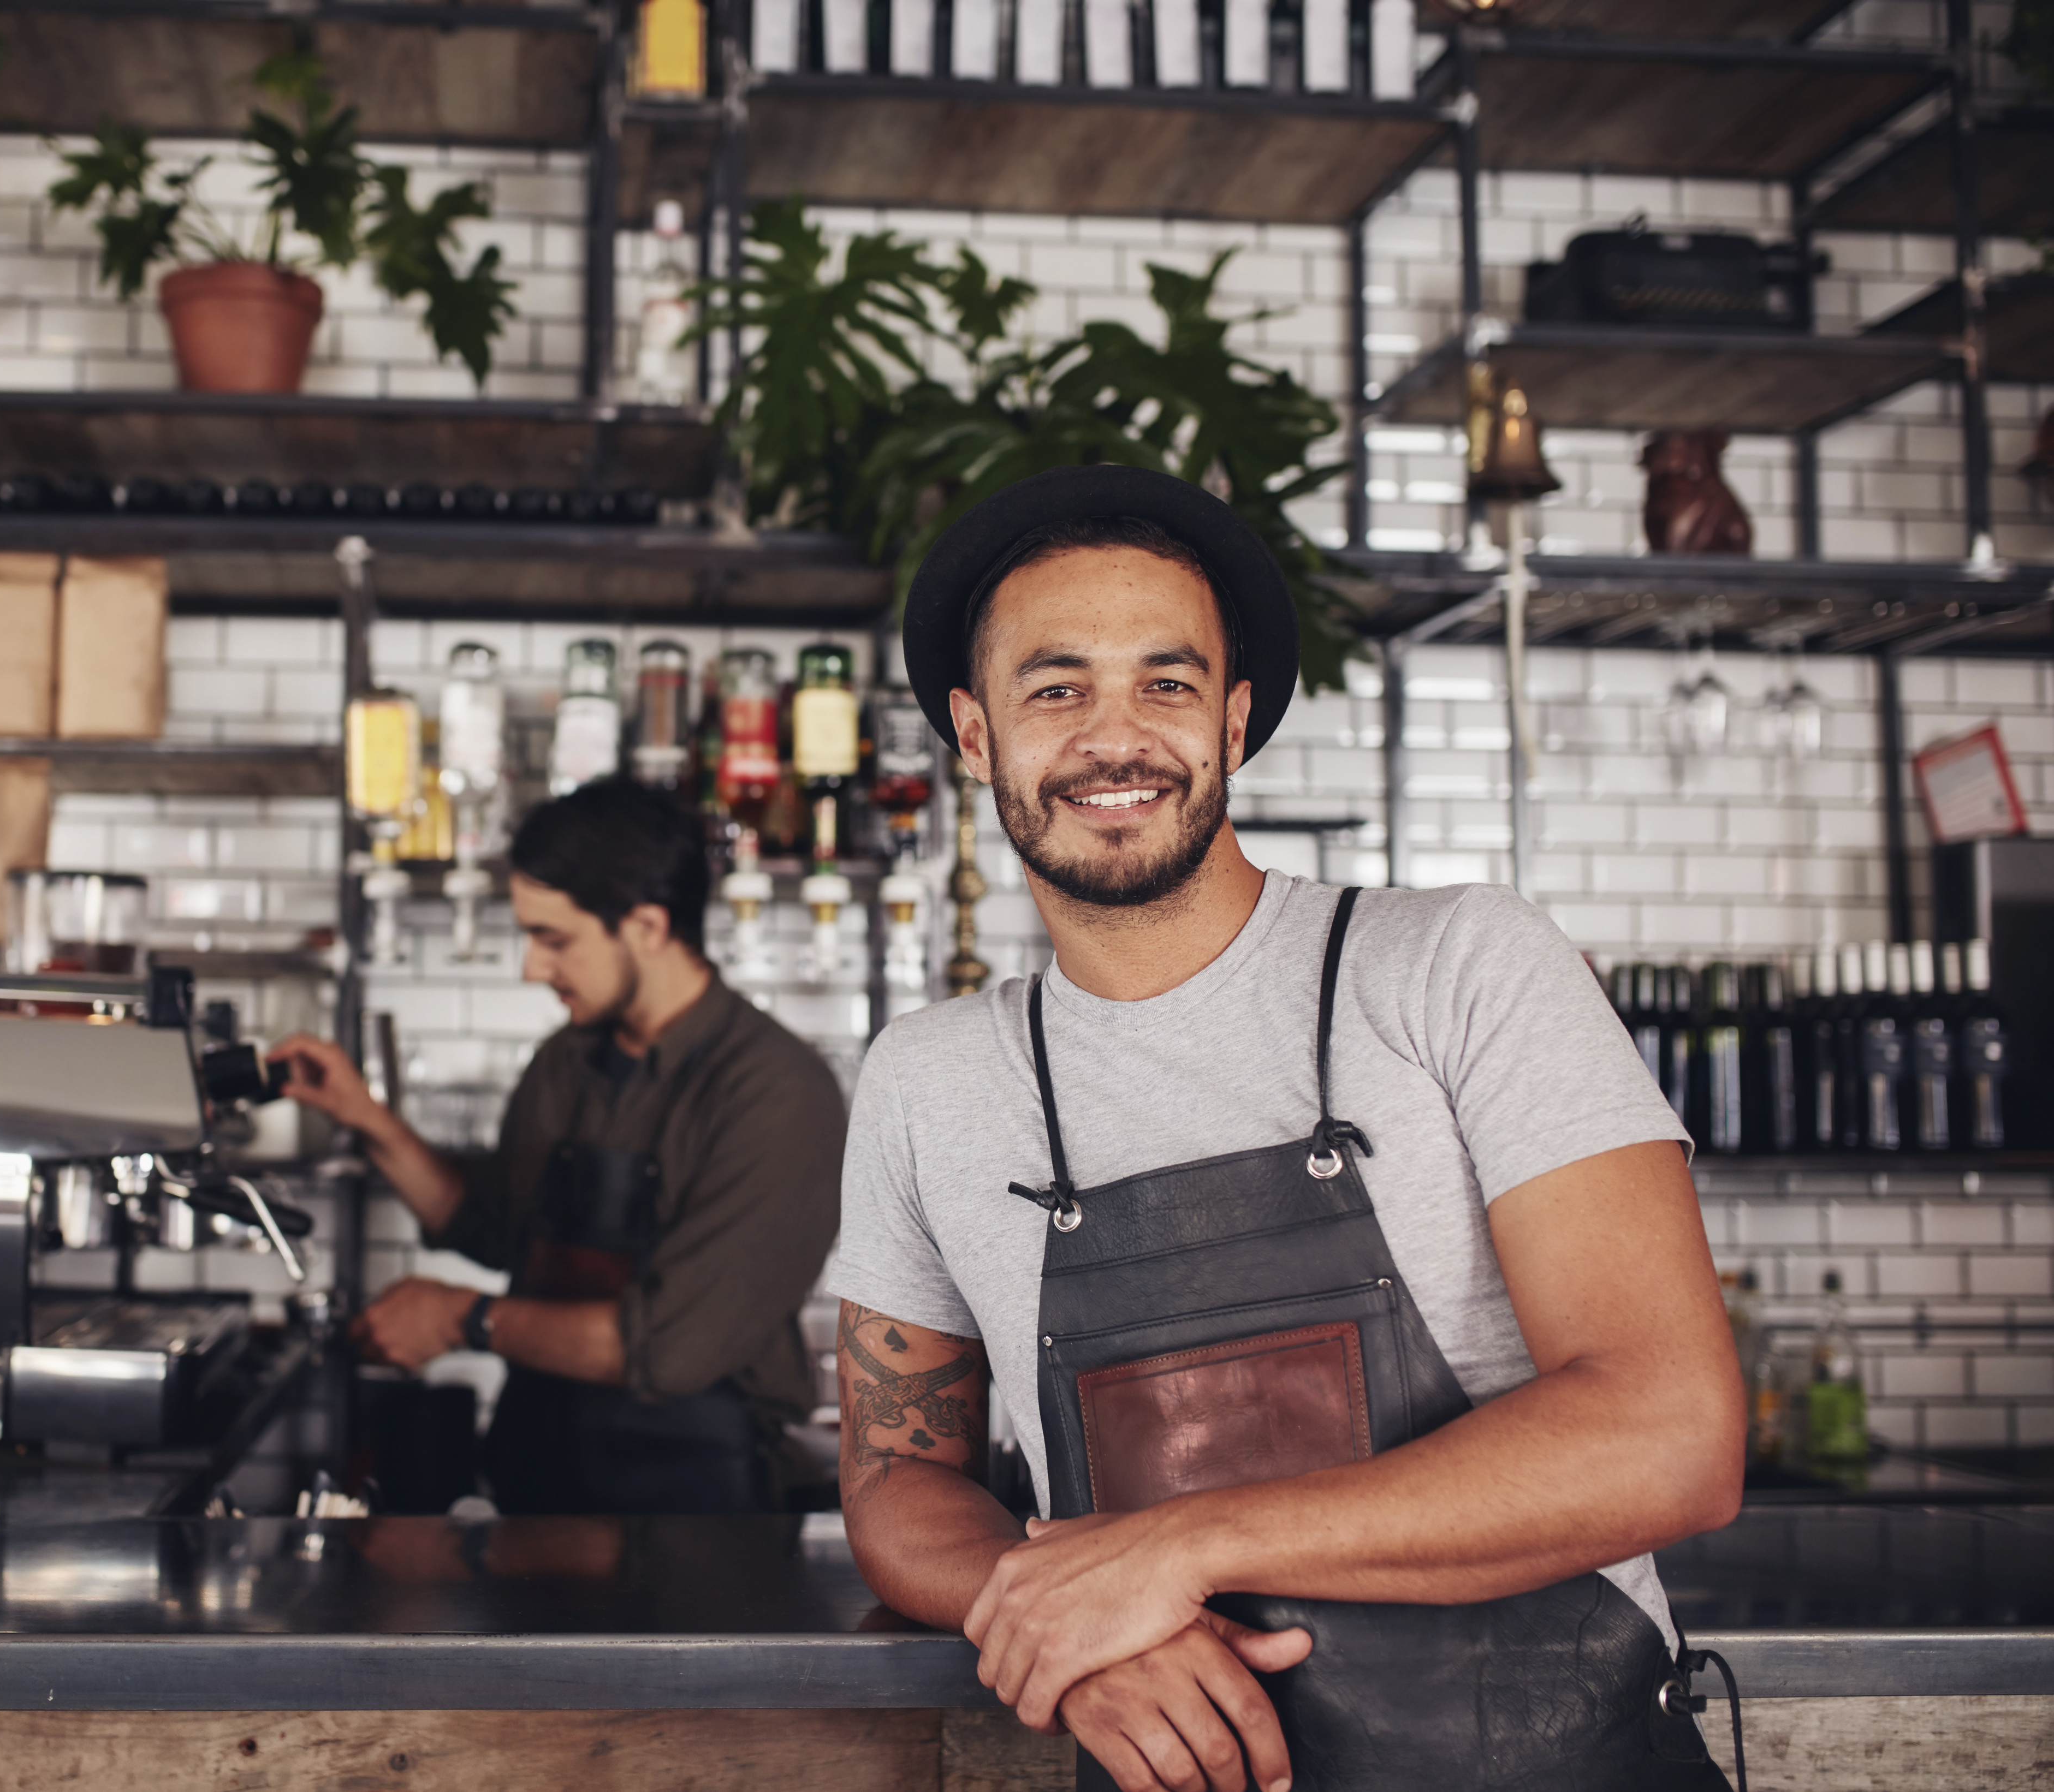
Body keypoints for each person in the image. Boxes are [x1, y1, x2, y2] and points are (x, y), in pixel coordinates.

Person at [830, 466, 1746, 1792]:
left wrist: (1168, 1551)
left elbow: (1671, 1434)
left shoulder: (1455, 966)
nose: (1114, 734)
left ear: (1232, 718)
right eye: (1053, 686)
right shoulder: (927, 1083)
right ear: (973, 736)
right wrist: (1055, 1612)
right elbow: (896, 1486)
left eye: (1166, 680)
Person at [271, 776, 845, 1516]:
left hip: (701, 1513)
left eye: (554, 939)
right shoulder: (567, 1063)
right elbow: (496, 1226)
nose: (532, 968)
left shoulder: (776, 1092)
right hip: (539, 1477)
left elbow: (671, 1350)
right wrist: (366, 1117)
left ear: (647, 927)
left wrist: (460, 1318)